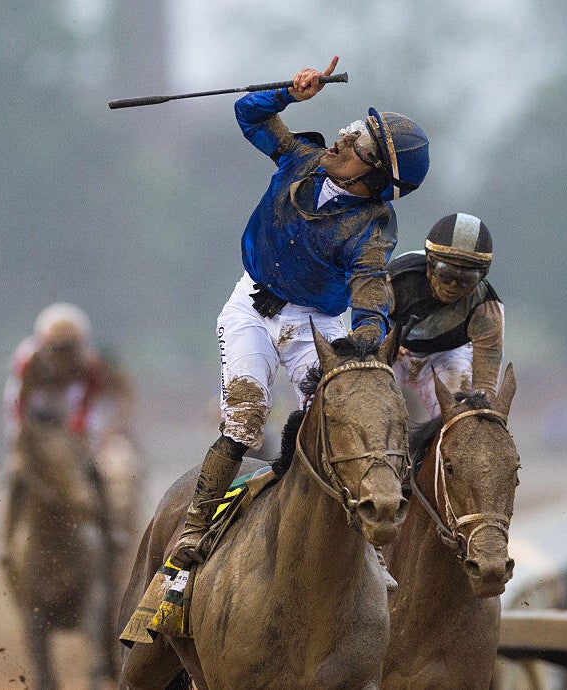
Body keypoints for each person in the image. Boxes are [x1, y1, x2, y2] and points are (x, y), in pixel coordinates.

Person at [165, 57, 430, 573]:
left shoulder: (374, 227)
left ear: (374, 177)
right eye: (351, 130)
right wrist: (288, 94)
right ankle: (196, 524)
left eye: (359, 144)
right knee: (244, 422)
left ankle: (367, 540)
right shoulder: (299, 158)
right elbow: (249, 115)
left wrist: (368, 340)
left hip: (317, 325)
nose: (341, 140)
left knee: (349, 415)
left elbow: (370, 290)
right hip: (251, 307)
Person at [2, 303, 113, 554]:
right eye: (58, 349)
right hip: (32, 410)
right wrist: (21, 441)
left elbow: (87, 403)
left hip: (65, 411)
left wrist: (79, 434)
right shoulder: (28, 359)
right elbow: (20, 401)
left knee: (94, 468)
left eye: (69, 349)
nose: (63, 357)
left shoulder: (91, 364)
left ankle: (109, 533)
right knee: (17, 471)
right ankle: (7, 541)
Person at [387, 212, 503, 435]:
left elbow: (485, 386)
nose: (452, 286)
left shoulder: (486, 307)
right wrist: (384, 345)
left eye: (466, 280)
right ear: (429, 265)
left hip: (447, 355)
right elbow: (368, 322)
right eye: (446, 274)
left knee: (463, 420)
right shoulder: (398, 277)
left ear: (482, 277)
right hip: (394, 349)